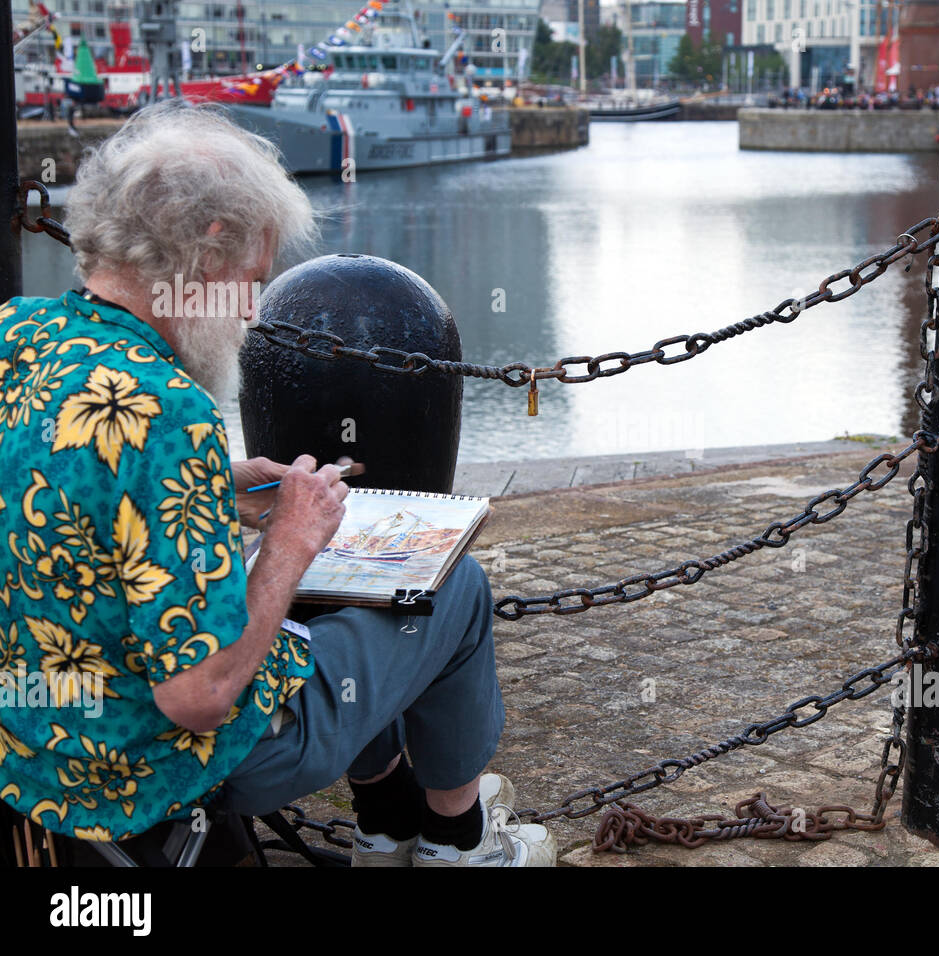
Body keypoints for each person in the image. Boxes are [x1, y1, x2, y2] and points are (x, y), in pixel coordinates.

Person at [0, 100, 555, 867]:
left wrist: (213, 488)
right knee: (450, 588)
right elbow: (199, 695)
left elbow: (59, 475)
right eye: (253, 279)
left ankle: (386, 818)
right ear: (209, 249)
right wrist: (289, 541)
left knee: (345, 593)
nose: (255, 308)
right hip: (156, 764)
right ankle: (459, 842)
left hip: (35, 741)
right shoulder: (168, 412)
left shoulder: (20, 336)